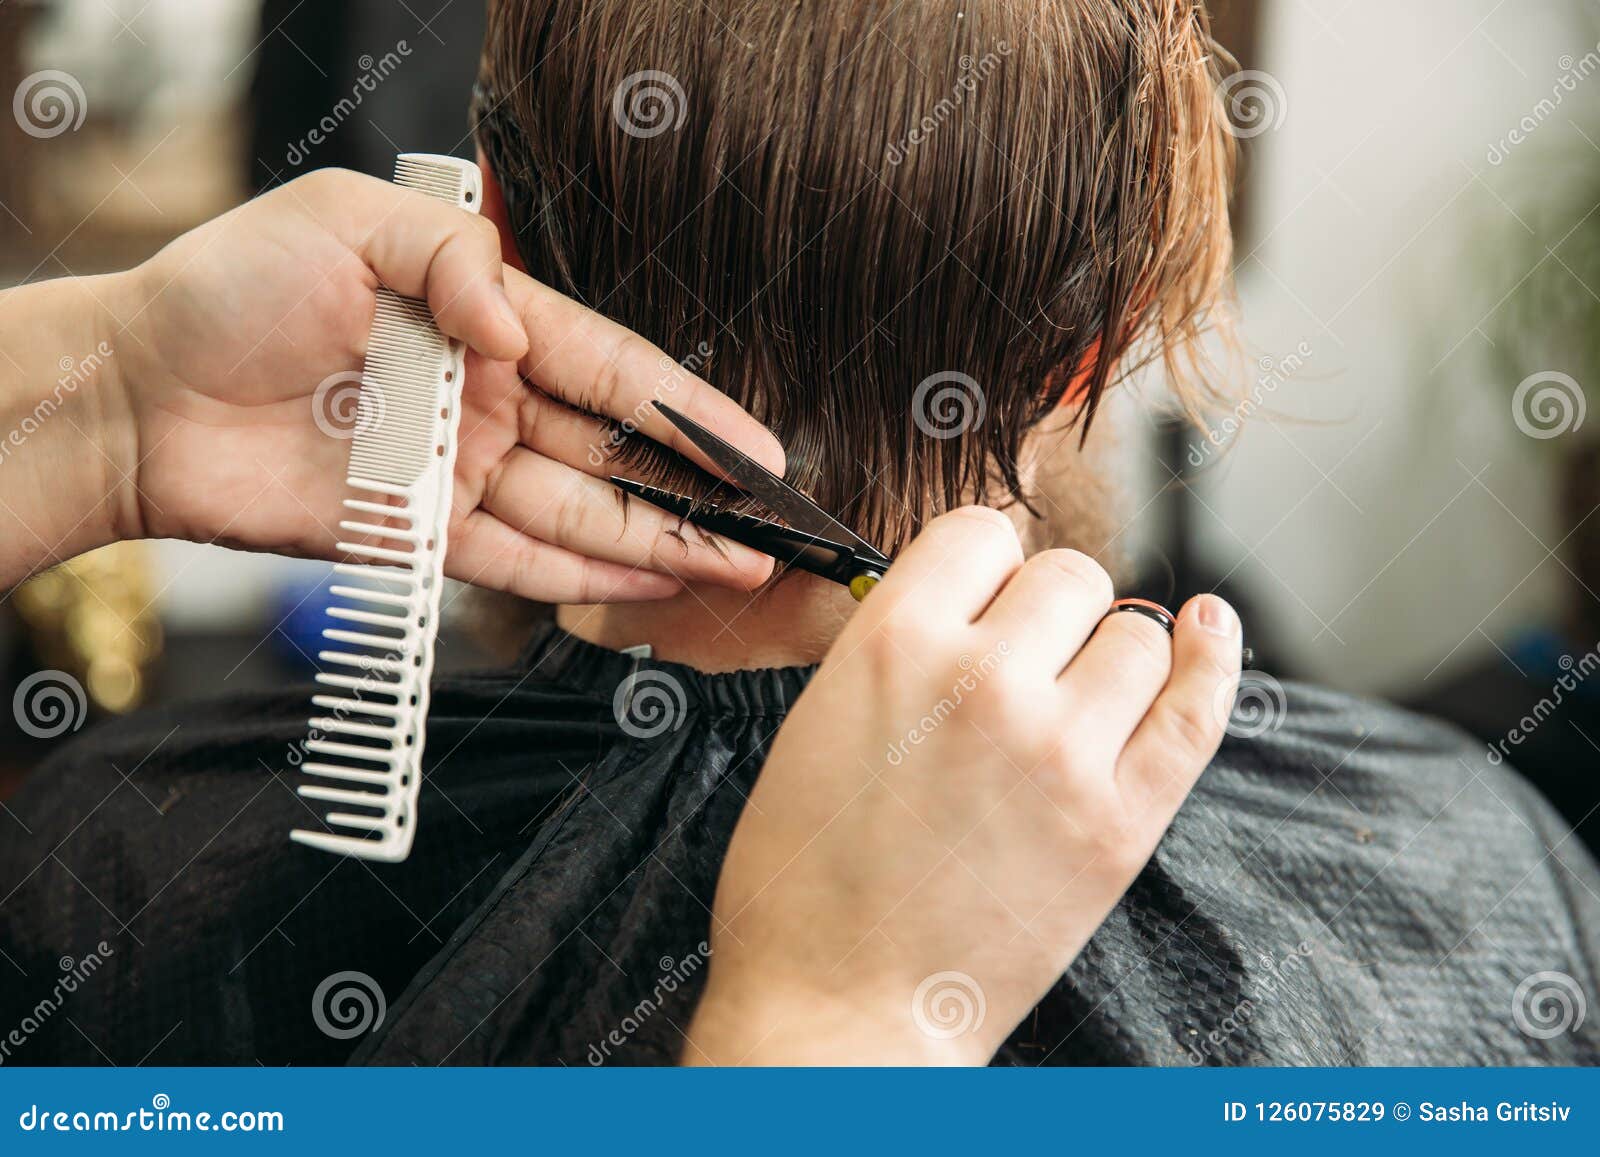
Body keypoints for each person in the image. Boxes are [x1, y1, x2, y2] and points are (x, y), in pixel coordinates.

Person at [1, 0, 1596, 1066]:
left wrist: (107, 405)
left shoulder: (107, 884)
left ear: (489, 236)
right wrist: (839, 1029)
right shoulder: (1483, 881)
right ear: (1099, 341)